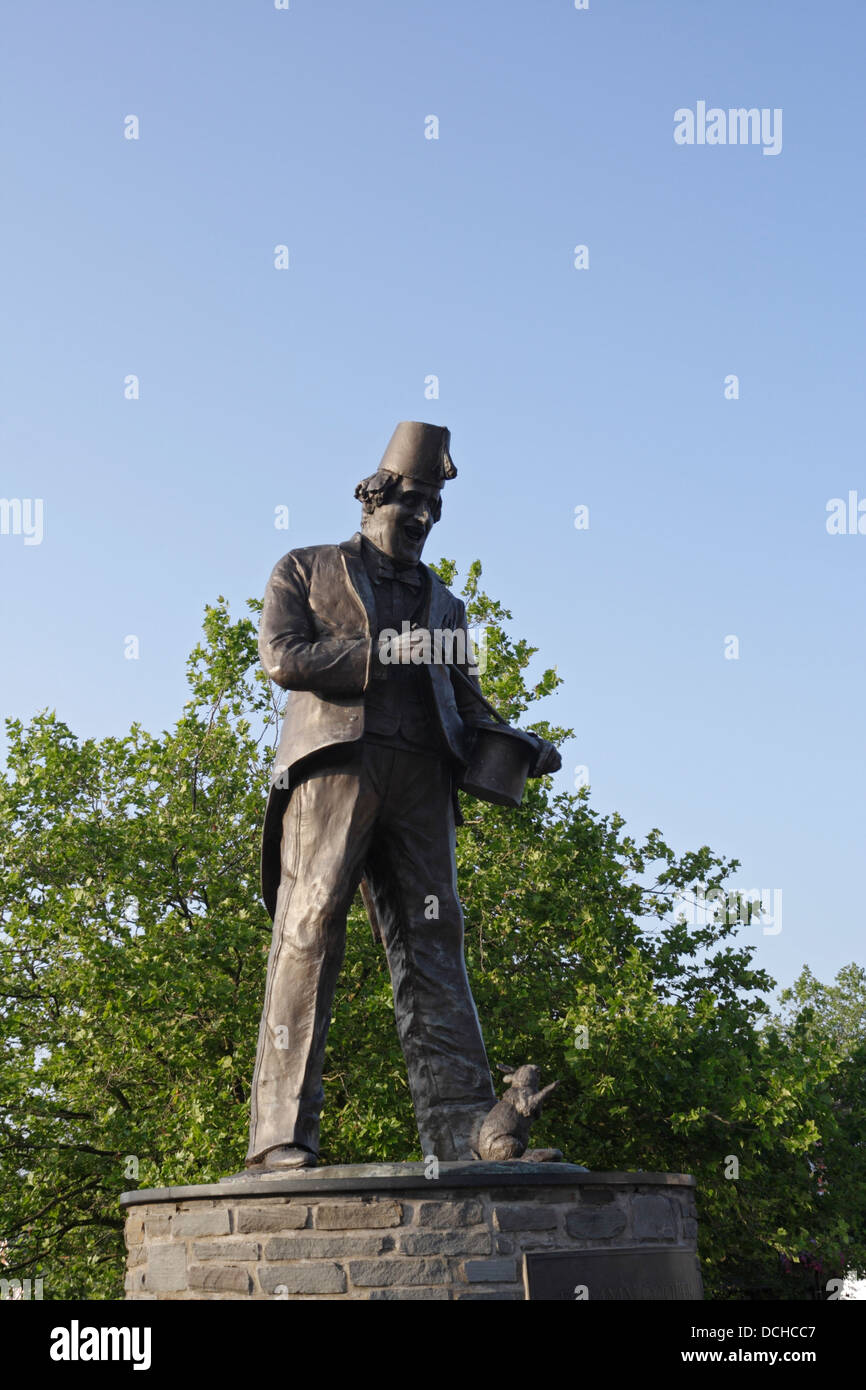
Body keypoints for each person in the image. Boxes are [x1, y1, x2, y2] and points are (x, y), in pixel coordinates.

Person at [245, 421, 561, 1170]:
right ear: (373, 499)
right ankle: (280, 1136)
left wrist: (519, 743)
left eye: (433, 510)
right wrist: (381, 652)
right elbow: (282, 659)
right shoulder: (306, 567)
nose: (421, 519)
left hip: (423, 775)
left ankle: (468, 1136)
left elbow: (463, 695)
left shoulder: (445, 604)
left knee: (436, 941)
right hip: (337, 767)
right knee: (309, 928)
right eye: (411, 503)